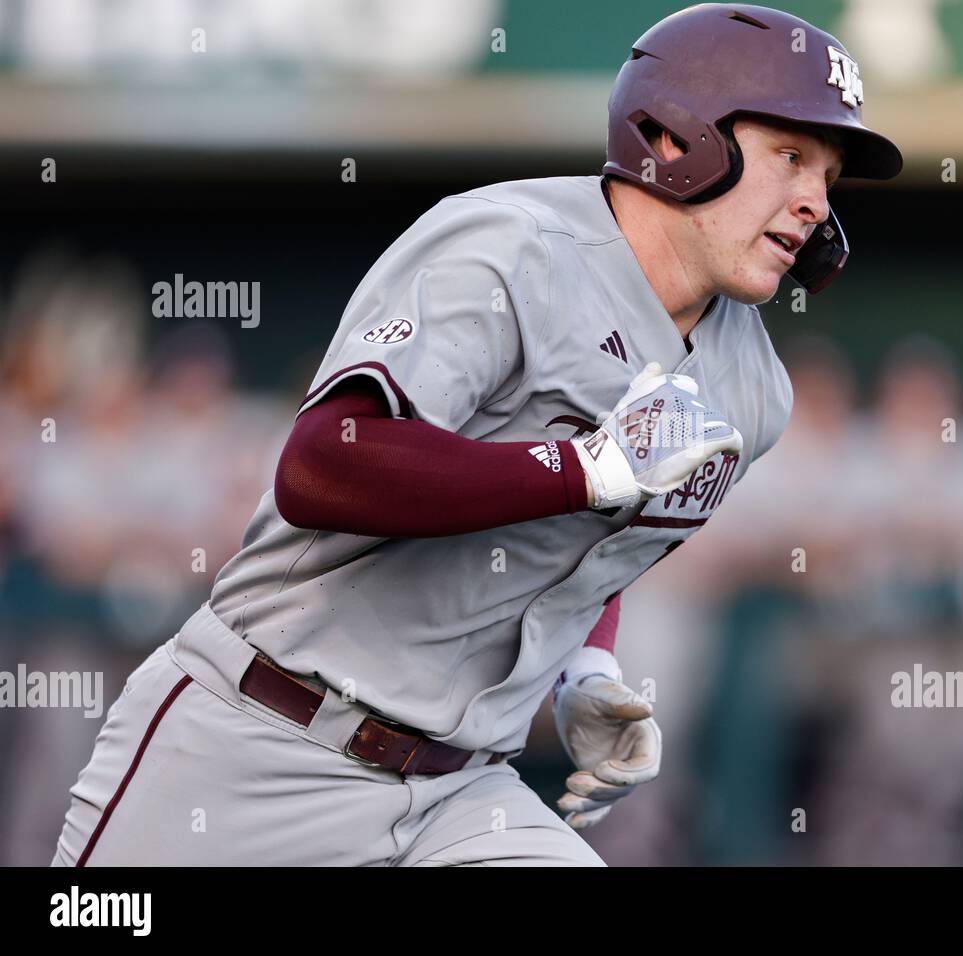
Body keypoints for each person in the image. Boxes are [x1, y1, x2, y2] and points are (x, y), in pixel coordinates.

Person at [52, 2, 901, 867]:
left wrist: (587, 669)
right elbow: (320, 466)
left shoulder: (753, 389)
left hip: (461, 794)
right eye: (792, 156)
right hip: (259, 739)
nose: (814, 203)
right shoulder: (511, 248)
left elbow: (603, 541)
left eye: (827, 175)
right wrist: (585, 466)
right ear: (675, 140)